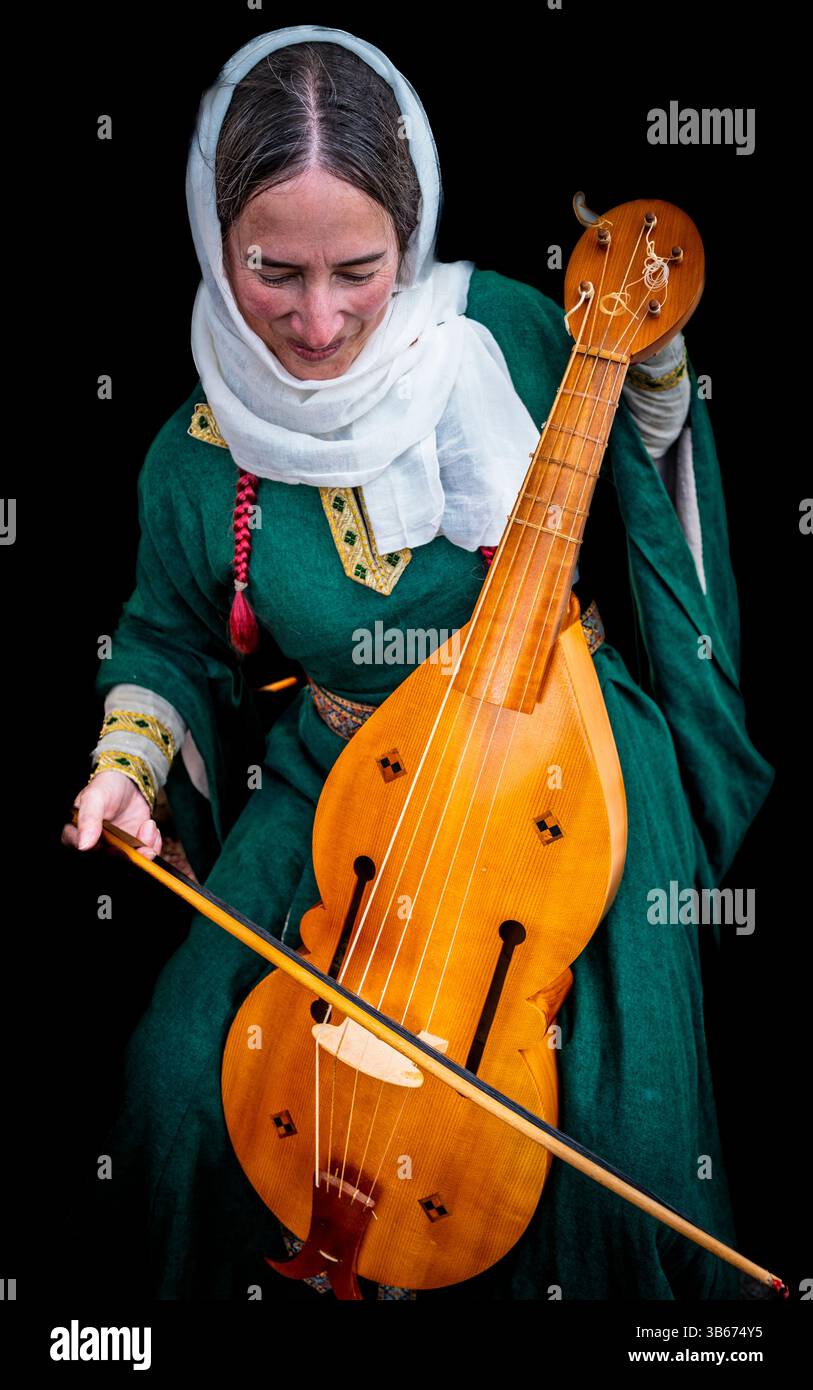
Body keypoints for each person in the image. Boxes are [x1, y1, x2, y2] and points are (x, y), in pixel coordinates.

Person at [61, 24, 773, 1301]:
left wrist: (652, 361)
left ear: (412, 229)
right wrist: (129, 767)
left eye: (360, 270)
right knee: (179, 1083)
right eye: (273, 272)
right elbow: (167, 633)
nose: (317, 320)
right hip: (341, 789)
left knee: (629, 1136)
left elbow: (645, 467)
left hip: (560, 769)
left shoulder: (513, 332)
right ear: (217, 243)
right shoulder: (196, 448)